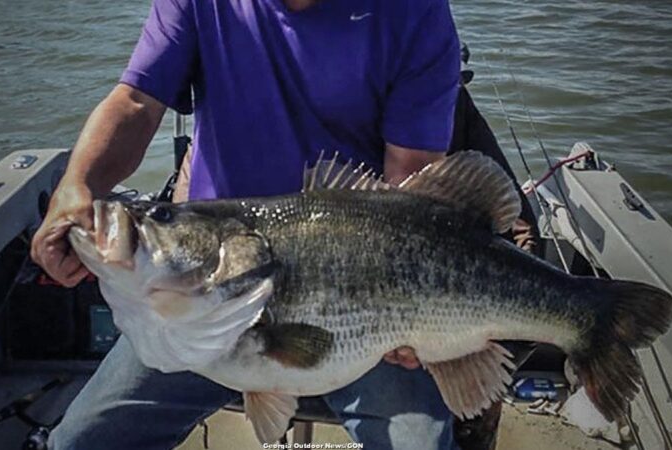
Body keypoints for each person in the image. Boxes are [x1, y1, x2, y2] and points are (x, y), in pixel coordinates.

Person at [31, 0, 536, 448]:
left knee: (420, 442)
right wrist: (77, 185)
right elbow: (137, 102)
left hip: (364, 303)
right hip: (203, 292)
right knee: (81, 439)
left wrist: (413, 322)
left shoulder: (414, 10)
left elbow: (409, 191)